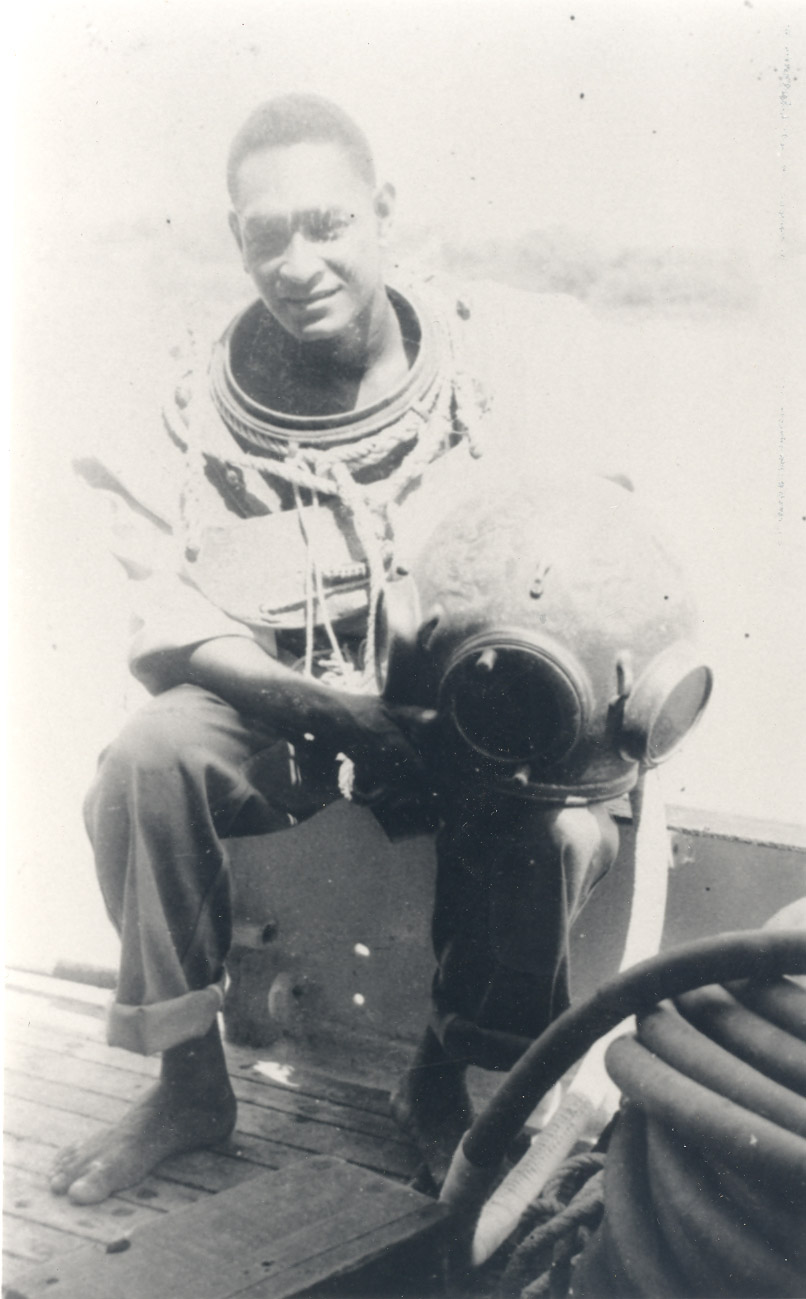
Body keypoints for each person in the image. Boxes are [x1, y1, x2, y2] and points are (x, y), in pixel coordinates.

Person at [49, 93, 619, 1206]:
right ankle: (189, 1084)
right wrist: (327, 709)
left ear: (383, 212)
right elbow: (165, 607)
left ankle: (438, 1078)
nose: (299, 263)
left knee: (559, 826)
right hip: (274, 697)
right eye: (269, 236)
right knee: (142, 764)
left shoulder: (496, 373)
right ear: (237, 241)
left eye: (328, 224)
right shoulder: (184, 407)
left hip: (453, 706)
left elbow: (588, 552)